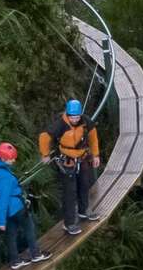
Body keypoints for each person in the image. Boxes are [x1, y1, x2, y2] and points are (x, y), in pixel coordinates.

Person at [39, 98, 101, 237]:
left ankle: (84, 211)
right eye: (73, 117)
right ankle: (69, 223)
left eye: (77, 116)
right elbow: (45, 137)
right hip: (67, 162)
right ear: (68, 115)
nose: (75, 119)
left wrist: (96, 155)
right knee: (70, 193)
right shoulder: (61, 124)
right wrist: (45, 154)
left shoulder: (85, 121)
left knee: (85, 185)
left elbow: (93, 137)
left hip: (83, 158)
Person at [0, 142, 46, 270]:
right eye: (11, 159)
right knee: (29, 227)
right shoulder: (4, 177)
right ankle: (35, 254)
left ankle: (15, 260)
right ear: (3, 158)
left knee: (11, 234)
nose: (13, 160)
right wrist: (0, 221)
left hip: (9, 211)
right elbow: (3, 199)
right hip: (16, 207)